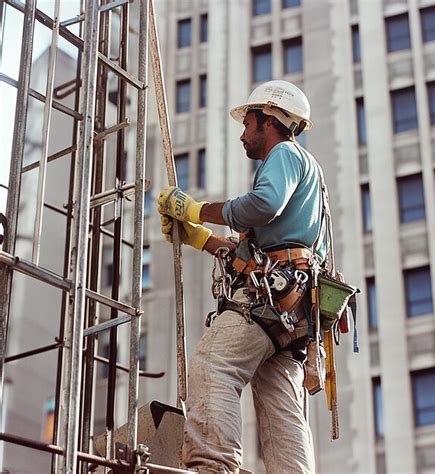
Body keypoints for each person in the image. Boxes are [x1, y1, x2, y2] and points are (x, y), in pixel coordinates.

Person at [158, 80, 329, 473]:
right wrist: (201, 238)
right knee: (280, 401)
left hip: (271, 301)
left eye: (247, 122)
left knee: (214, 363)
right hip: (293, 310)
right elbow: (262, 252)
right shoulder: (307, 176)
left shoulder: (285, 153)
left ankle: (213, 465)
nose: (242, 134)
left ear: (268, 120)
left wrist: (196, 209)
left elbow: (264, 205)